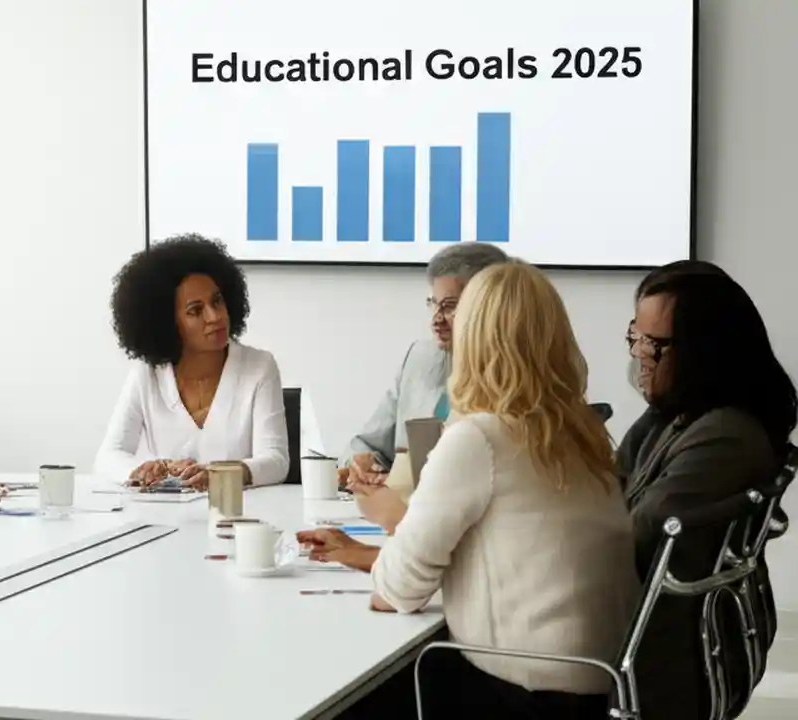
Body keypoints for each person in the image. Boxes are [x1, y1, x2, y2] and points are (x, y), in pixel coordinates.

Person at [301, 261, 637, 718]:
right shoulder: (581, 433)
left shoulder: (480, 438)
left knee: (346, 697)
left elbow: (399, 589)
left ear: (474, 340)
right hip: (597, 685)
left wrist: (389, 556)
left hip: (522, 692)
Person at [618, 261, 796, 720]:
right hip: (648, 635)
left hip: (647, 658)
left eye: (654, 344)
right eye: (635, 336)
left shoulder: (726, 435)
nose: (639, 354)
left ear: (703, 352)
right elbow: (609, 482)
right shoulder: (676, 415)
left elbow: (634, 535)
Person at [96, 234, 288, 489]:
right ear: (167, 323)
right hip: (164, 519)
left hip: (235, 516)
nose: (215, 316)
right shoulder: (147, 374)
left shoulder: (259, 367)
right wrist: (141, 471)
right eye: (195, 311)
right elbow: (108, 458)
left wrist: (221, 474)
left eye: (217, 301)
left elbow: (276, 461)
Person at [341, 243, 507, 489]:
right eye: (433, 303)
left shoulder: (516, 372)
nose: (436, 320)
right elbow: (367, 444)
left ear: (486, 305)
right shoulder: (420, 357)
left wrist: (402, 486)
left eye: (450, 306)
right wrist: (362, 465)